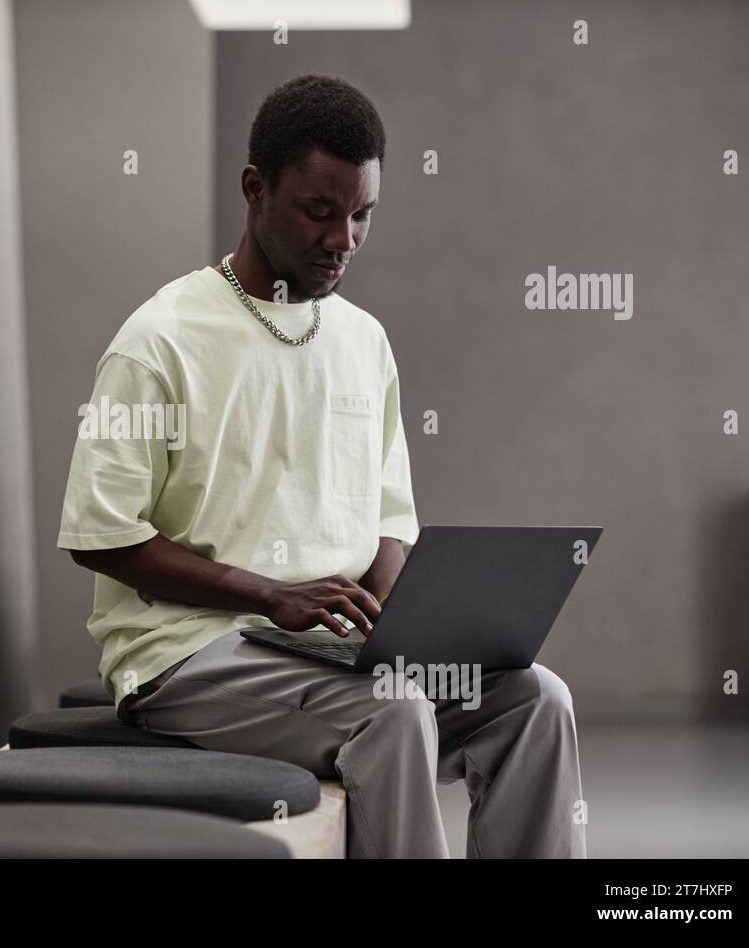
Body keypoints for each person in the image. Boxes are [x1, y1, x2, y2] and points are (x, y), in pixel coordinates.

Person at [56, 73, 584, 858]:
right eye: (320, 211)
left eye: (363, 214)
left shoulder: (363, 341)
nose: (344, 239)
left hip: (337, 656)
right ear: (255, 189)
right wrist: (269, 594)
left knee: (535, 698)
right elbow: (99, 536)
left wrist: (423, 633)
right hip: (192, 656)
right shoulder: (158, 340)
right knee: (394, 712)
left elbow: (385, 529)